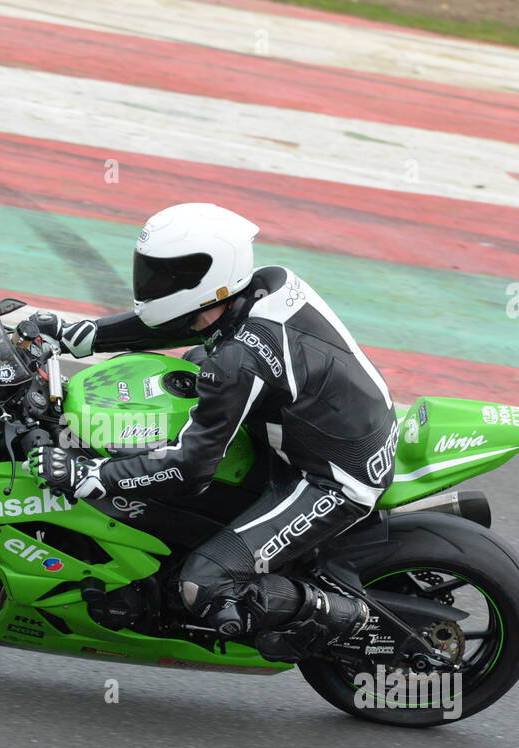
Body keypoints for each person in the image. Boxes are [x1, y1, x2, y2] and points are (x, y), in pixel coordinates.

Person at [26, 203, 398, 663]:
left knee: (201, 585)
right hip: (324, 425)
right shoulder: (264, 284)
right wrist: (78, 334)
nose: (152, 284)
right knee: (189, 373)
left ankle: (343, 614)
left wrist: (94, 475)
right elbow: (185, 320)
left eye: (168, 275)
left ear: (209, 274)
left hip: (332, 478)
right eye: (152, 271)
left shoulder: (240, 360)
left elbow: (191, 468)